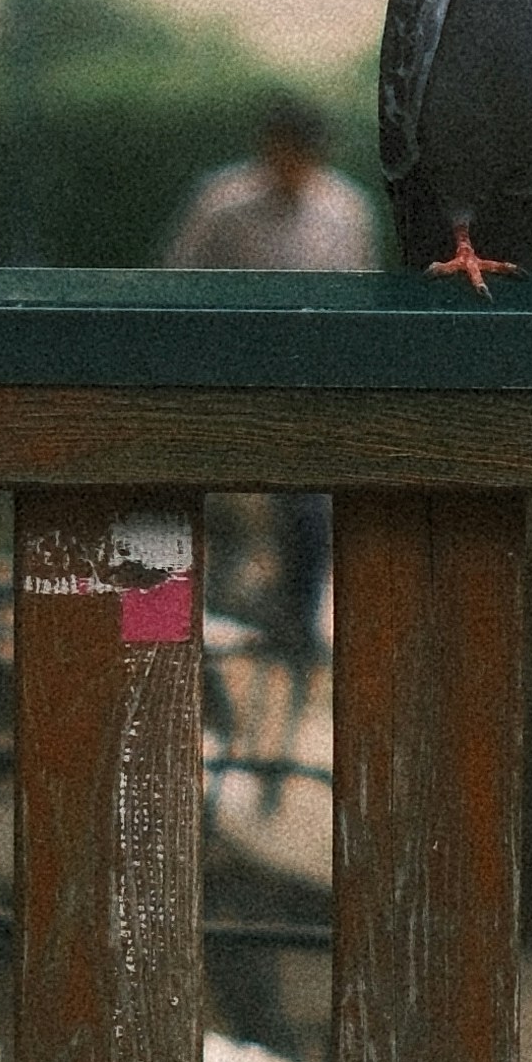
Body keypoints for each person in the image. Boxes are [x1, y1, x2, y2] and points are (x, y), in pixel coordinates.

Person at [157, 90, 374, 669]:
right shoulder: (223, 203)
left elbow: (357, 300)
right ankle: (160, 626)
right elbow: (179, 281)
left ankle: (296, 629)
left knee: (306, 505)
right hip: (224, 374)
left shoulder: (344, 209)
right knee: (183, 497)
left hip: (304, 382)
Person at [162, 92, 377, 285]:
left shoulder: (347, 209)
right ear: (266, 148)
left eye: (298, 156)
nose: (288, 166)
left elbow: (361, 284)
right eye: (281, 154)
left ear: (317, 156)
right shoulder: (222, 200)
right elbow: (178, 273)